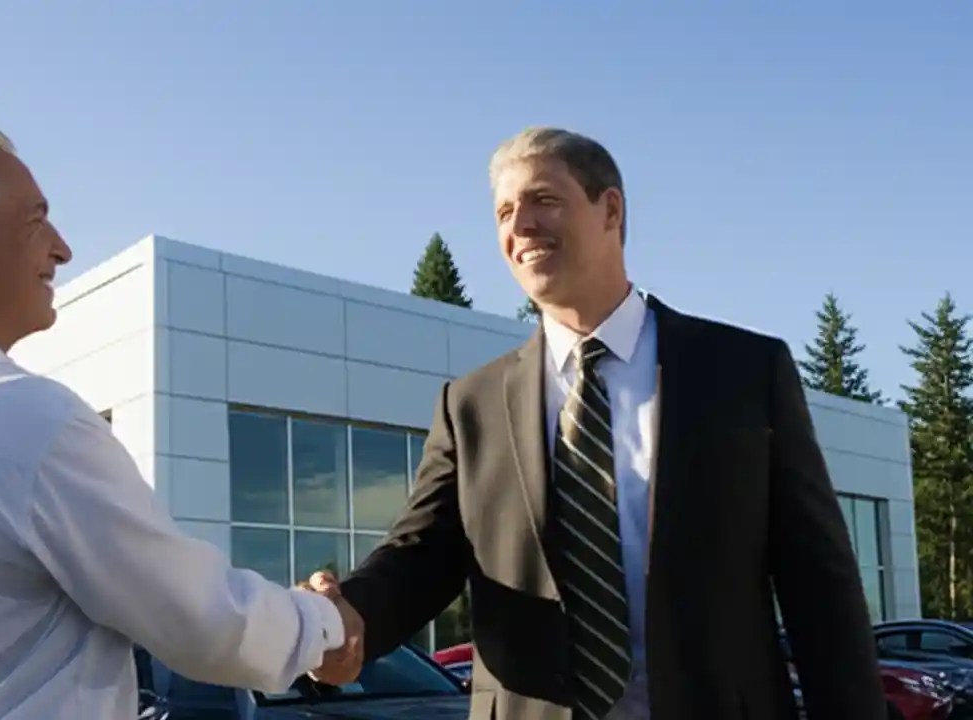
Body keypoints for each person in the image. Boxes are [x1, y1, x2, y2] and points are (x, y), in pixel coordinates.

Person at [307, 127, 886, 719]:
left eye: (544, 200)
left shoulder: (742, 373)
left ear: (611, 209)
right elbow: (419, 555)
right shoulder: (471, 405)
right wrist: (343, 617)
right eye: (505, 211)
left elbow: (820, 585)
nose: (520, 225)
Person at [0, 122, 359, 719]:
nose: (61, 249)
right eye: (37, 221)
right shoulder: (17, 416)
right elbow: (202, 618)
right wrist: (324, 625)